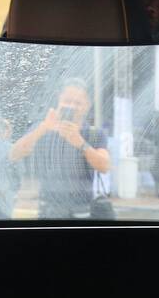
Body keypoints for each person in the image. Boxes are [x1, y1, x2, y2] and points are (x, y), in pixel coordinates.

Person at [9, 79, 111, 219]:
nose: (72, 106)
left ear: (87, 105)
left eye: (77, 103)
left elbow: (104, 166)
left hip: (82, 211)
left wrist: (80, 142)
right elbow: (14, 154)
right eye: (67, 101)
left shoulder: (94, 134)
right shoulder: (43, 128)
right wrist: (44, 127)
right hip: (48, 210)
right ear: (58, 101)